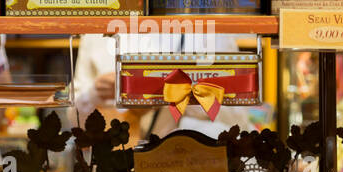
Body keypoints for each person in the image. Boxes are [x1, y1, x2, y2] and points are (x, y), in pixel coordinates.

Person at [72, 32, 255, 141]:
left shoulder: (208, 31)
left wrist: (176, 94)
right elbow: (73, 121)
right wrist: (95, 94)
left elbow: (238, 116)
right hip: (115, 170)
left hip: (187, 169)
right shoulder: (97, 32)